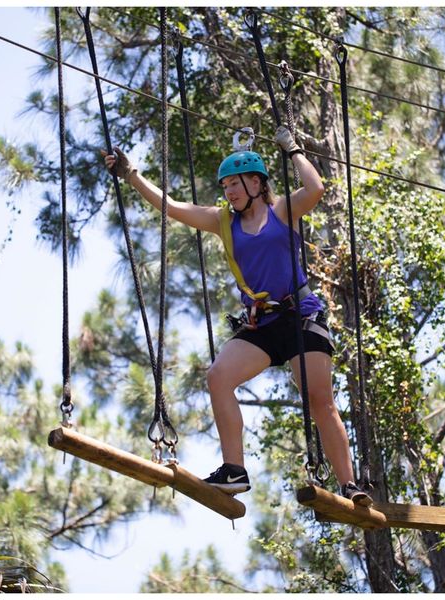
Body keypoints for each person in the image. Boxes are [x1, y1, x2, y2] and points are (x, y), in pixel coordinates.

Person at [103, 126, 371, 505]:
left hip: (300, 317)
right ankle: (235, 470)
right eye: (225, 185)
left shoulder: (282, 210)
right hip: (261, 323)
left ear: (257, 184)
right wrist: (132, 174)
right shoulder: (222, 221)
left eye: (235, 184)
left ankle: (349, 485)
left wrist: (293, 150)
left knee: (319, 401)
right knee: (218, 376)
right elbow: (171, 207)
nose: (228, 191)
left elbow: (315, 189)